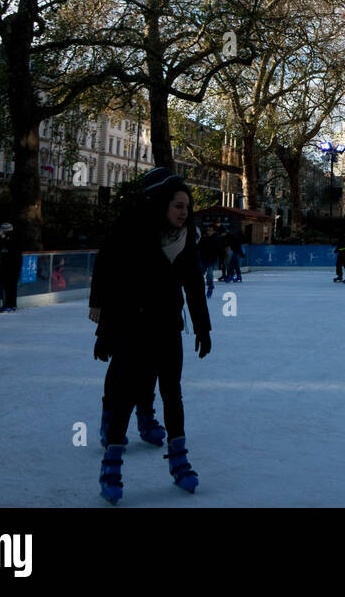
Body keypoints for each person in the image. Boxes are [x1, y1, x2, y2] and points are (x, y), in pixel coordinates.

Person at [90, 167, 212, 504]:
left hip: (169, 328)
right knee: (126, 395)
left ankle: (180, 462)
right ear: (161, 204)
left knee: (173, 394)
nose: (184, 211)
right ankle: (111, 467)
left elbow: (194, 285)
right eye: (177, 205)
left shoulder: (186, 240)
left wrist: (203, 327)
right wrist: (105, 331)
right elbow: (114, 280)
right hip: (133, 328)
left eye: (187, 206)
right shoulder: (135, 235)